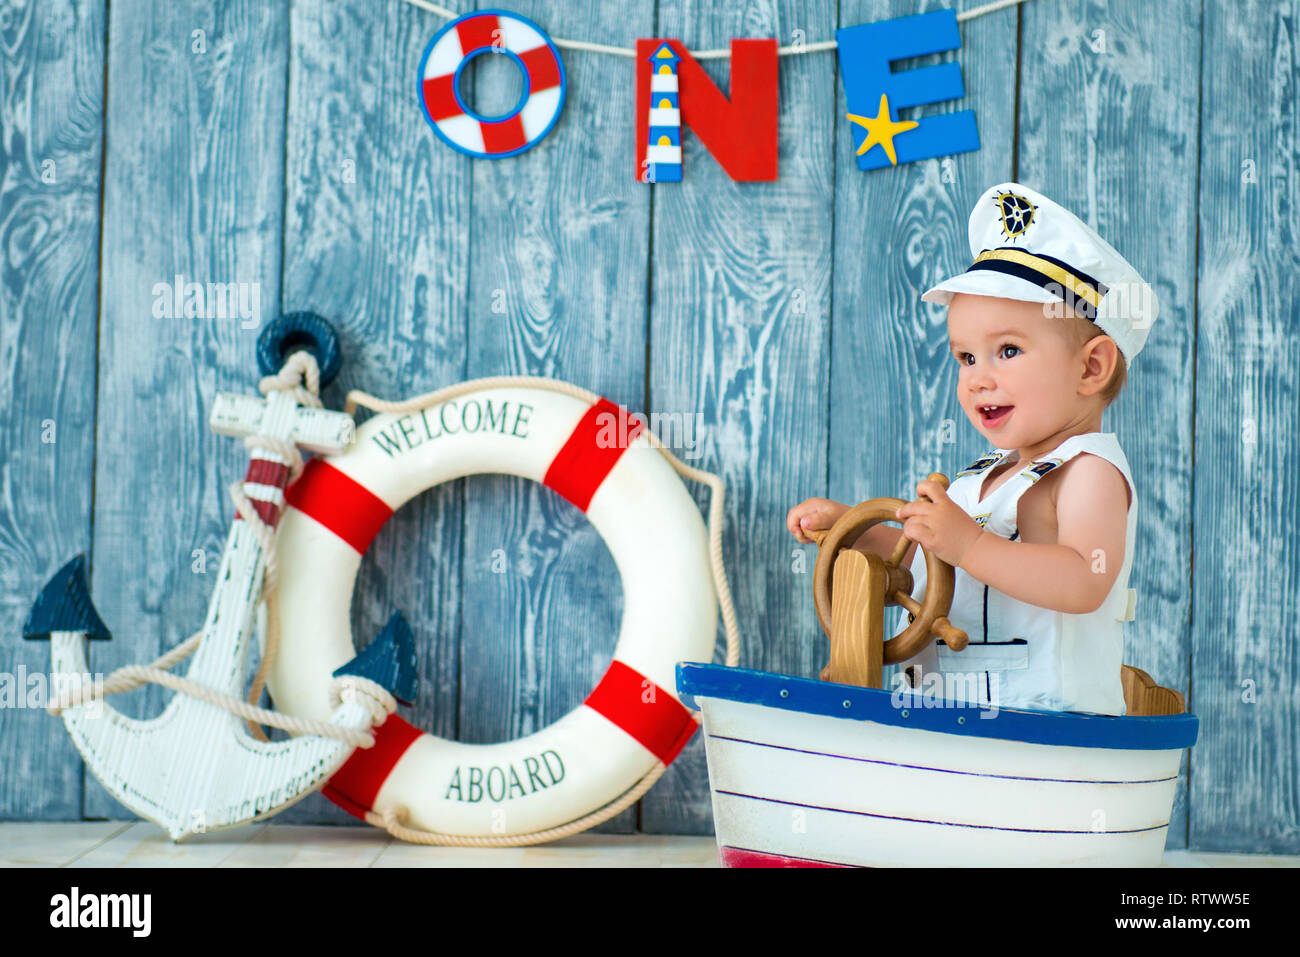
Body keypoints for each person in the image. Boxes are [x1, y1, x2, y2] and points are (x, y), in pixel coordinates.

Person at [786, 182, 1159, 715]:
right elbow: (927, 570)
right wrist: (860, 530)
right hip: (946, 718)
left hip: (1045, 726)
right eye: (965, 358)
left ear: (1090, 367)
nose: (978, 379)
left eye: (1007, 350)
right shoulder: (981, 480)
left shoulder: (1088, 471)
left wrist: (970, 547)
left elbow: (1085, 581)